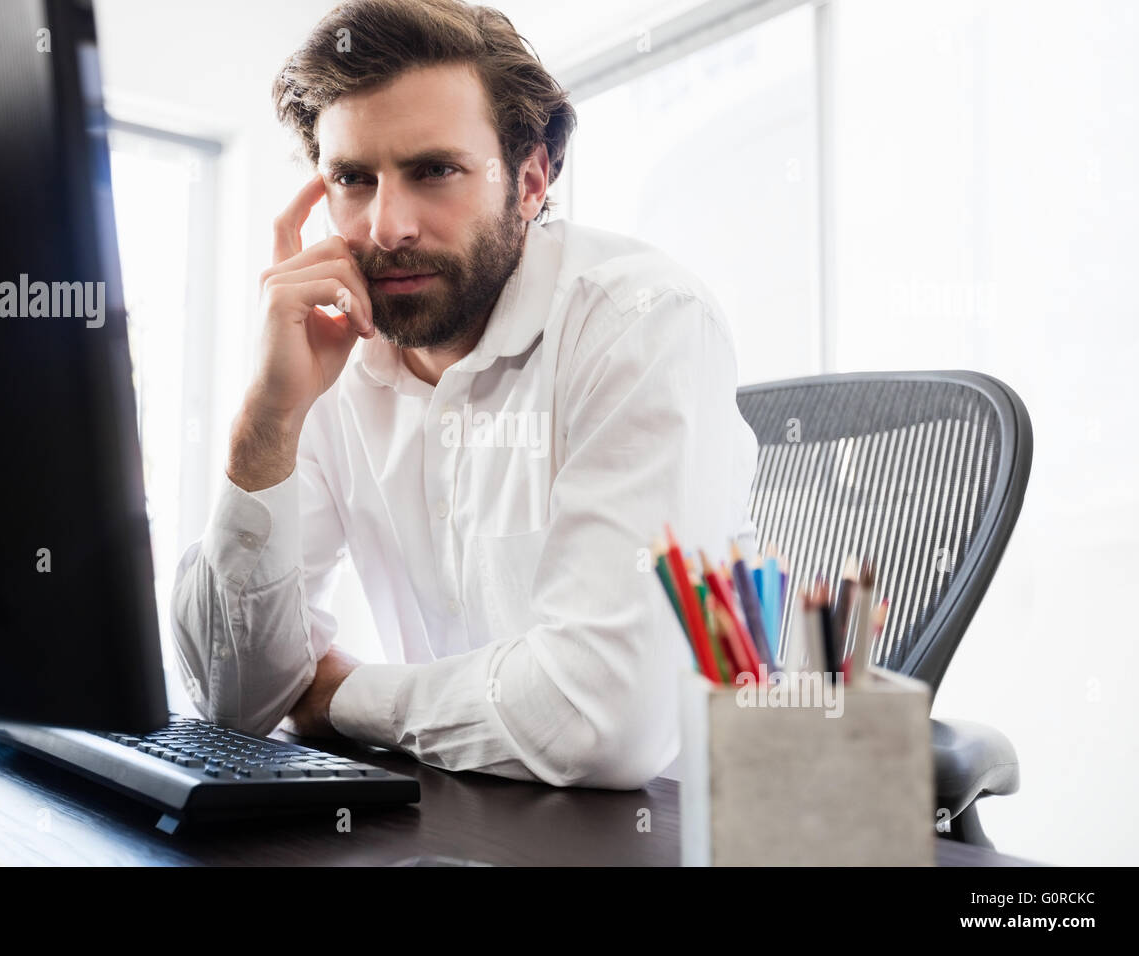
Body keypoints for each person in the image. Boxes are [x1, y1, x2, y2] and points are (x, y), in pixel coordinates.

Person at [171, 0, 758, 789]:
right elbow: (230, 698)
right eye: (353, 178)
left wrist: (340, 694)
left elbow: (601, 720)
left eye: (434, 170)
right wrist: (267, 423)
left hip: (669, 832)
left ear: (530, 180)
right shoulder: (332, 356)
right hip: (455, 814)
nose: (388, 226)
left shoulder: (641, 325)